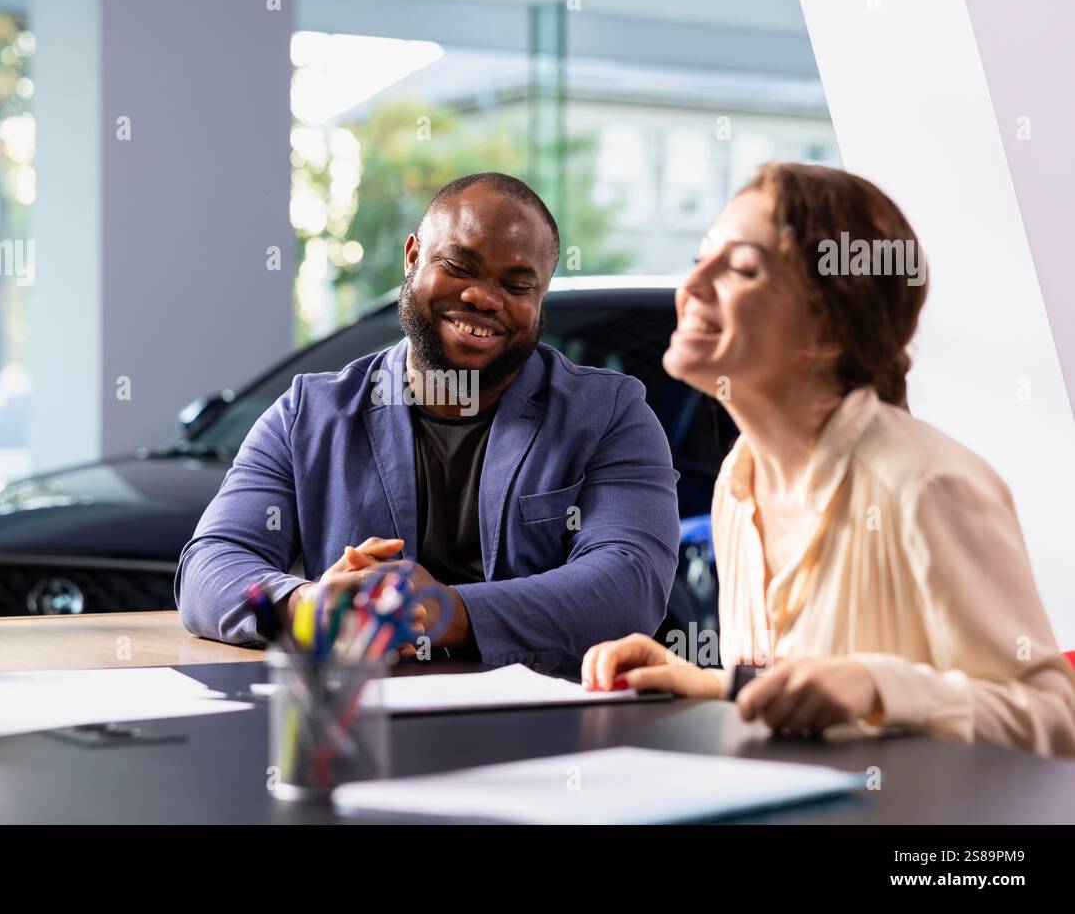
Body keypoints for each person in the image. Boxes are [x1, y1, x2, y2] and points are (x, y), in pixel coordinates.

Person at [583, 162, 1075, 757]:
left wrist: (878, 685)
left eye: (739, 269)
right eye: (698, 261)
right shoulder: (739, 486)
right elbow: (813, 703)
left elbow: (1055, 721)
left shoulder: (930, 486)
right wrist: (715, 684)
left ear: (828, 330)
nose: (691, 288)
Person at [175, 172, 680, 675]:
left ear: (541, 295)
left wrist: (442, 612)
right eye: (460, 266)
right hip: (363, 730)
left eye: (517, 284)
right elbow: (209, 566)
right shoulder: (308, 414)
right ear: (413, 256)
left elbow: (629, 583)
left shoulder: (610, 414)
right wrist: (309, 606)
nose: (485, 298)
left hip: (547, 733)